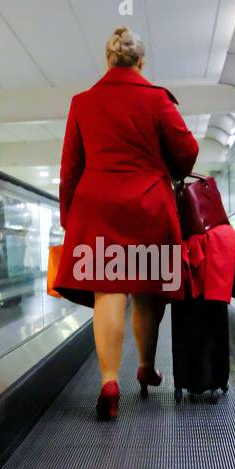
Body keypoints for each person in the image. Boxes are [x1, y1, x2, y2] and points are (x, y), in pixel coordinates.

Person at [56, 26, 199, 420]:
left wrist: (69, 216)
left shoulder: (83, 103)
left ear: (107, 61)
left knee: (109, 291)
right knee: (148, 290)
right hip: (149, 207)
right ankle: (146, 367)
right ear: (141, 62)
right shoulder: (157, 99)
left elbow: (70, 168)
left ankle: (108, 381)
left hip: (97, 207)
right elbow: (186, 154)